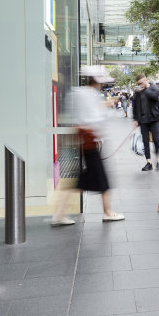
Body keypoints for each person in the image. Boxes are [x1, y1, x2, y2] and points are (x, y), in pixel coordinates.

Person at [51, 66, 124, 225]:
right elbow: (95, 119)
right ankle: (107, 212)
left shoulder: (77, 93)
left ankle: (60, 213)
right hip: (91, 140)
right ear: (96, 80)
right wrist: (105, 107)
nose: (103, 85)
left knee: (86, 181)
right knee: (98, 181)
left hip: (84, 141)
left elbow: (78, 116)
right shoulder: (92, 95)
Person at [133, 74, 159, 171]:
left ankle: (158, 161)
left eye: (141, 82)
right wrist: (135, 119)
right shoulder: (137, 92)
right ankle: (148, 162)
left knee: (156, 140)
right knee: (145, 141)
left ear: (146, 80)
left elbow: (154, 96)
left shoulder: (154, 88)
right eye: (138, 84)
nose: (140, 85)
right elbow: (135, 106)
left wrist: (145, 88)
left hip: (154, 119)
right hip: (143, 120)